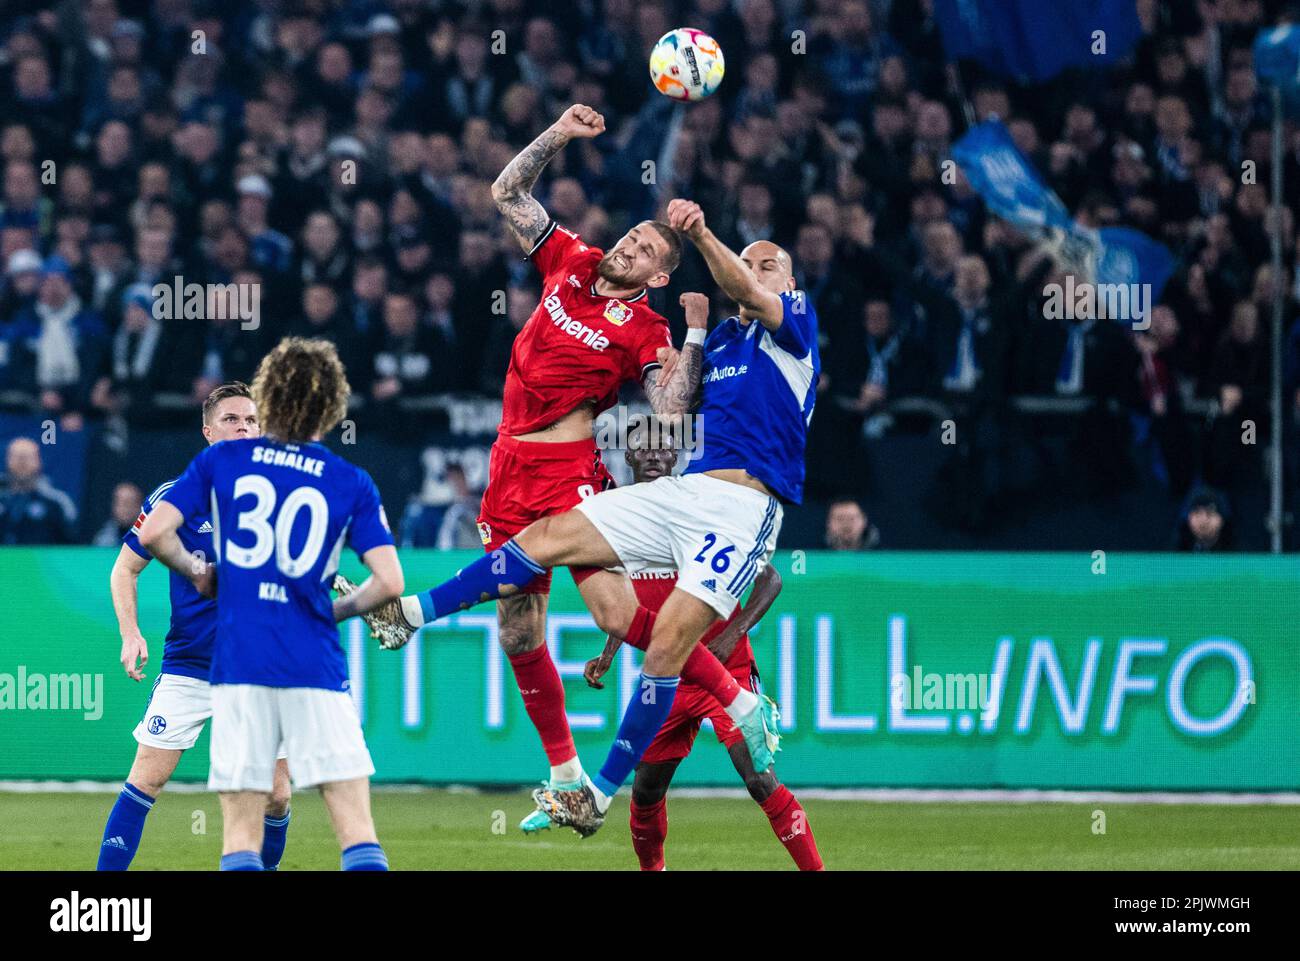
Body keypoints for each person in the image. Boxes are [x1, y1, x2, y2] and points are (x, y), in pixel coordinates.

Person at [371, 199, 820, 838]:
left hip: (744, 510)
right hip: (684, 492)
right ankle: (409, 615)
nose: (754, 271)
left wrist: (699, 234)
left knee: (663, 651)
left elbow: (741, 290)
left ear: (789, 283)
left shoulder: (797, 322)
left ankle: (606, 788)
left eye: (769, 265)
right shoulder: (720, 337)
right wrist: (693, 334)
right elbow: (673, 403)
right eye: (749, 262)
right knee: (542, 543)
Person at [341, 103, 734, 832]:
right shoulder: (572, 263)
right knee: (519, 633)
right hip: (508, 467)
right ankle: (567, 777)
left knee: (616, 614)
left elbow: (674, 408)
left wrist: (699, 330)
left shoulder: (647, 327)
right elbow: (507, 194)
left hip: (569, 477)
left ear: (655, 274)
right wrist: (558, 133)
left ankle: (738, 699)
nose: (630, 245)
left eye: (646, 247)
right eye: (632, 235)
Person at [137, 340, 403, 871]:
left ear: (270, 397)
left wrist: (198, 573)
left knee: (241, 830)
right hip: (317, 665)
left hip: (242, 664)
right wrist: (332, 611)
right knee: (356, 830)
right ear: (332, 407)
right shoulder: (350, 480)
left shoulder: (225, 461)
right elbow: (389, 582)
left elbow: (154, 536)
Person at [577, 435, 824, 870]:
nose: (654, 454)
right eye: (643, 446)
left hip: (727, 672)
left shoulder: (701, 505)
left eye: (663, 447)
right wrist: (609, 652)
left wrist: (734, 634)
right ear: (629, 455)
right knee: (646, 791)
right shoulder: (624, 517)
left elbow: (770, 580)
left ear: (675, 456)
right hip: (666, 676)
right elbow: (627, 601)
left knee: (760, 780)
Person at [96, 383, 295, 870]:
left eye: (251, 421)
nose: (243, 428)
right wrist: (130, 632)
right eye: (231, 420)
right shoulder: (176, 498)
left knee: (276, 794)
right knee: (147, 778)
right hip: (191, 666)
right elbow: (124, 569)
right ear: (208, 432)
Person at [0, 437, 77, 544]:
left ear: (39, 461)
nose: (22, 463)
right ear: (7, 460)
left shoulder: (56, 503)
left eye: (28, 457)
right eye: (17, 457)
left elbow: (71, 547)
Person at [91, 481, 142, 546]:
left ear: (140, 506)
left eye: (130, 504)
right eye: (122, 504)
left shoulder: (147, 537)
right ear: (114, 506)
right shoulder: (104, 538)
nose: (126, 509)